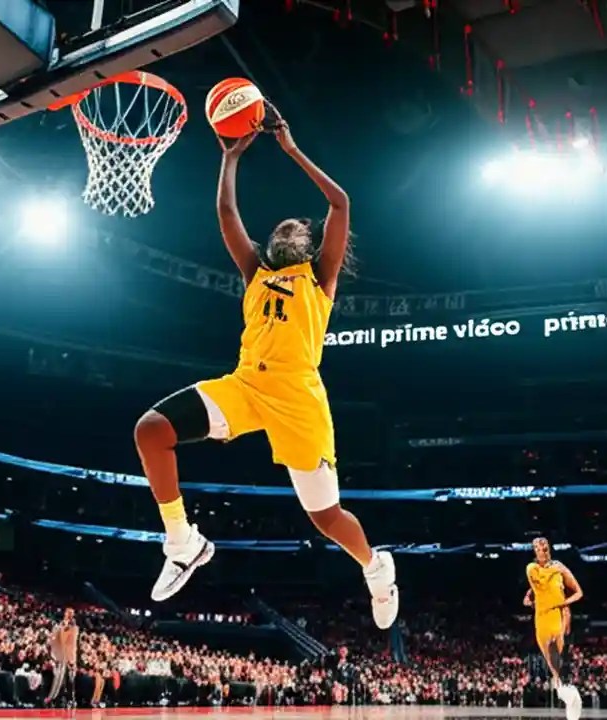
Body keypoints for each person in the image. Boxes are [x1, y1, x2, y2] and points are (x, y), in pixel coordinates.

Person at [132, 109, 398, 629]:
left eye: (297, 228)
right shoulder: (255, 269)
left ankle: (375, 565)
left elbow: (339, 203)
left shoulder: (320, 278)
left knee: (324, 518)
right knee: (151, 430)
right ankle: (182, 540)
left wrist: (291, 148)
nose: (288, 229)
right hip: (246, 385)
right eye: (282, 227)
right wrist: (230, 158)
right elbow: (227, 215)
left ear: (305, 243)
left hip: (299, 399)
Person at [523, 537, 584, 720]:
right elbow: (534, 590)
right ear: (535, 551)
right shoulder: (532, 569)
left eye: (544, 545)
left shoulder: (559, 568)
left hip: (557, 616)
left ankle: (565, 693)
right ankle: (563, 692)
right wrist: (531, 599)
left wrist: (563, 602)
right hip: (541, 617)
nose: (542, 548)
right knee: (552, 662)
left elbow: (579, 592)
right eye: (537, 546)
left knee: (559, 658)